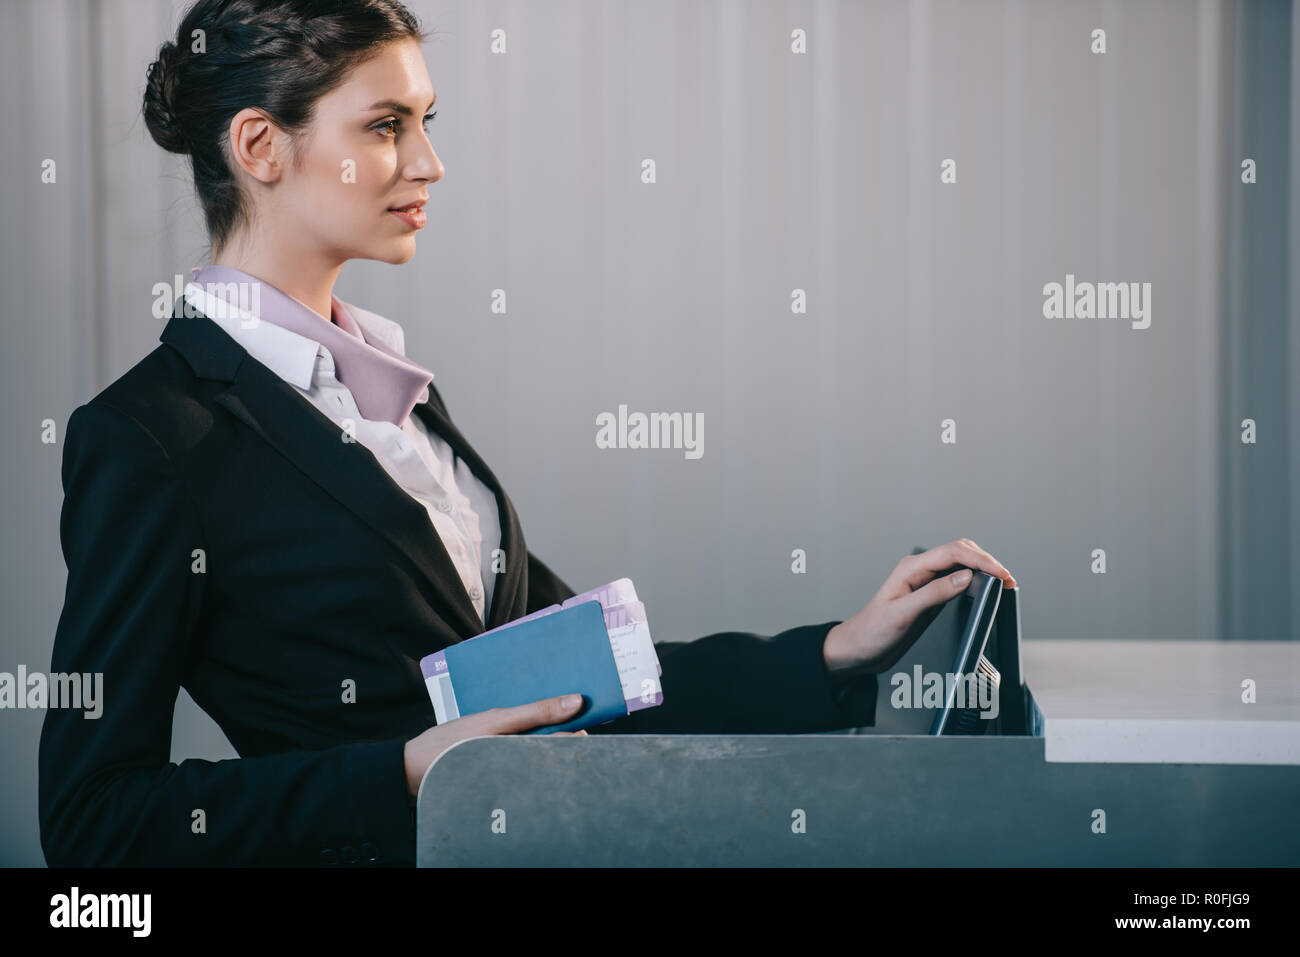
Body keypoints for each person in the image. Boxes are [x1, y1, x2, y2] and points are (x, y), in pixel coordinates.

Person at [38, 0, 1015, 867]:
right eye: (386, 126)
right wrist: (406, 773)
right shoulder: (152, 438)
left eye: (426, 123)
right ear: (261, 148)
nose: (429, 162)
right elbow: (94, 821)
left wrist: (831, 651)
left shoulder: (394, 396)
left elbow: (588, 685)